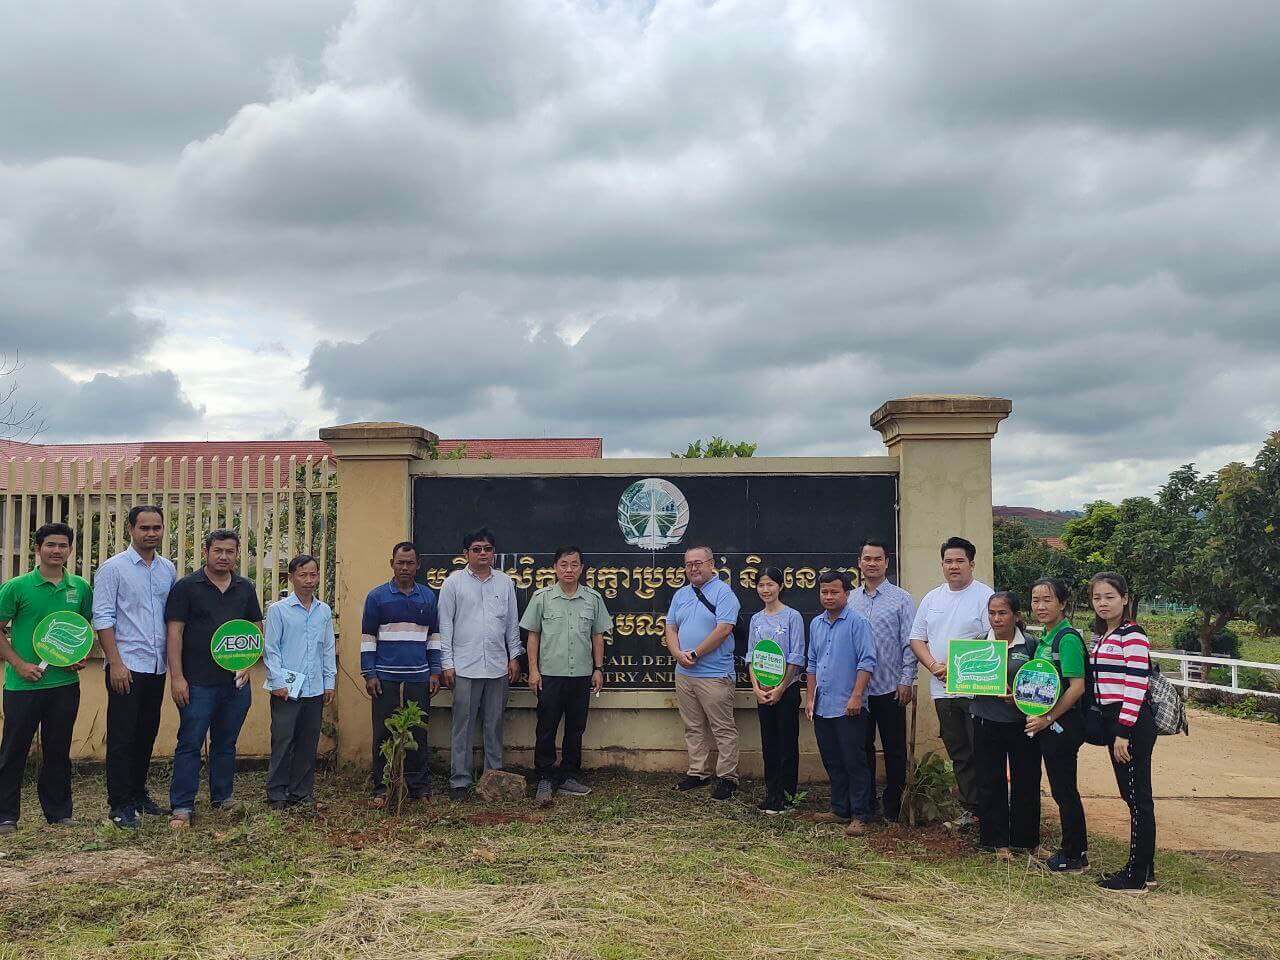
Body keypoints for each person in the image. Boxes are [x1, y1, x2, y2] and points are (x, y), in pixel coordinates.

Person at [165, 529, 263, 828]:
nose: (223, 556)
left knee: (226, 743)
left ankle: (223, 797)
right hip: (196, 682)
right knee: (190, 742)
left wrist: (248, 663)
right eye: (218, 550)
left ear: (237, 555)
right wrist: (177, 677)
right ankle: (182, 805)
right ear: (206, 552)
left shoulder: (245, 588)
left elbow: (255, 629)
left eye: (229, 551)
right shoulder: (186, 587)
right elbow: (174, 633)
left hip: (235, 683)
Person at [0, 523, 92, 834]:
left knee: (58, 751)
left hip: (64, 686)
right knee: (13, 751)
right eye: (50, 545)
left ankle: (59, 813)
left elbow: (82, 630)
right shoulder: (17, 587)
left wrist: (76, 657)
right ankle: (5, 816)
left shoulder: (80, 588)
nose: (56, 550)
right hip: (23, 685)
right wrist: (18, 664)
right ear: (38, 549)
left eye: (63, 545)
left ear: (70, 550)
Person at [91, 504, 177, 829]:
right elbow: (103, 617)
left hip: (156, 666)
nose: (151, 533)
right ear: (130, 529)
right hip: (125, 666)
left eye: (156, 527)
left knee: (146, 733)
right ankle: (120, 804)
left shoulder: (167, 569)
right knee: (123, 736)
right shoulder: (113, 568)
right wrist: (115, 663)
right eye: (144, 528)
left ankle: (139, 795)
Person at [908, 536, 993, 831]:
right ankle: (971, 810)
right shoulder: (932, 598)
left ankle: (992, 810)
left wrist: (959, 669)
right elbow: (916, 638)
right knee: (959, 751)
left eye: (959, 561)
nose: (953, 566)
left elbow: (992, 641)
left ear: (971, 563)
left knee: (982, 750)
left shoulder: (985, 597)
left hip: (976, 691)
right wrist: (933, 666)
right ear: (942, 564)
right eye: (948, 561)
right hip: (942, 690)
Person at [522, 546, 612, 806]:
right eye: (564, 564)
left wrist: (598, 669)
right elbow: (533, 636)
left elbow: (597, 636)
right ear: (555, 567)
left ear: (581, 568)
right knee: (546, 728)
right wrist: (533, 670)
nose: (569, 569)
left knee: (575, 728)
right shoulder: (542, 598)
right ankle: (545, 776)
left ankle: (569, 775)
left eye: (574, 564)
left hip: (581, 675)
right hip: (550, 675)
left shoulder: (592, 599)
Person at [439, 528, 522, 801]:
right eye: (477, 549)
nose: (482, 553)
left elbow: (511, 623)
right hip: (464, 667)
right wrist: (447, 663)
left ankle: (492, 778)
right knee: (462, 726)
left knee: (494, 724)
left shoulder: (505, 582)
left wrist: (514, 656)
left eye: (487, 549)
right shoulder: (453, 583)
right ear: (466, 554)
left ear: (493, 552)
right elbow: (445, 626)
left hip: (498, 666)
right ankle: (460, 782)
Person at [1088, 571, 1158, 893]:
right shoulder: (1103, 635)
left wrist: (1123, 731)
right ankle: (1145, 869)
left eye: (1110, 597)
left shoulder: (1132, 634)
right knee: (1131, 795)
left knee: (1138, 797)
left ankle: (1136, 876)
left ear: (1125, 599)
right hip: (1114, 719)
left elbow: (1136, 684)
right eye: (1097, 598)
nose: (1103, 603)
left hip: (1130, 721)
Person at [361, 542, 441, 805]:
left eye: (410, 563)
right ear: (391, 564)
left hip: (419, 677)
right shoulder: (377, 597)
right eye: (400, 562)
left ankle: (419, 788)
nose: (405, 567)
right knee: (384, 734)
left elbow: (434, 638)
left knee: (418, 733)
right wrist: (369, 673)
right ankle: (382, 788)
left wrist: (435, 671)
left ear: (418, 565)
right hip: (385, 678)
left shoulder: (428, 597)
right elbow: (368, 638)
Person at [665, 545, 742, 800]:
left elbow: (724, 630)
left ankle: (728, 777)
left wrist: (696, 653)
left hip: (714, 674)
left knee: (723, 728)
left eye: (698, 563)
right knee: (693, 726)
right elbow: (670, 627)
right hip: (684, 673)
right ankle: (698, 772)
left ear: (711, 564)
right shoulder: (680, 594)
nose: (693, 568)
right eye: (688, 564)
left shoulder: (724, 593)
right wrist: (677, 653)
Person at [805, 571, 878, 835]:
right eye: (824, 592)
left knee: (854, 761)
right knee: (832, 760)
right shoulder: (816, 624)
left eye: (834, 592)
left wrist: (856, 696)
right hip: (823, 706)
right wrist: (810, 698)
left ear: (846, 594)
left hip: (849, 706)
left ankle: (860, 814)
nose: (829, 596)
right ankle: (839, 809)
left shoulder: (859, 623)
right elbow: (812, 663)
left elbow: (867, 661)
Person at [848, 540, 916, 823]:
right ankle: (866, 804)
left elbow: (909, 643)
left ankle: (893, 806)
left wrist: (907, 679)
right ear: (859, 562)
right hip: (858, 691)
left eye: (878, 559)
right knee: (861, 748)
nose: (872, 563)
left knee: (894, 749)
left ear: (887, 563)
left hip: (890, 687)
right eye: (867, 558)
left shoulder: (902, 599)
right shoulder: (850, 599)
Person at [970, 591, 1041, 861]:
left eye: (1002, 613)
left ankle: (1026, 841)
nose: (996, 619)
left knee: (1027, 781)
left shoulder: (1031, 646)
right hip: (986, 721)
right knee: (990, 781)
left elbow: (1041, 684)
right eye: (992, 613)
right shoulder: (977, 645)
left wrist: (1019, 698)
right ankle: (996, 842)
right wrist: (953, 674)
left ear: (1016, 616)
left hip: (1022, 724)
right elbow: (967, 679)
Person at [264, 555, 336, 812]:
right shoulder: (278, 610)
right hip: (286, 689)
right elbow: (271, 650)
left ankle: (301, 792)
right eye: (303, 575)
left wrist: (329, 682)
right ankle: (276, 792)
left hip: (314, 688)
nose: (309, 580)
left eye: (313, 575)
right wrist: (277, 681)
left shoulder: (323, 611)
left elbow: (327, 648)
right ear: (292, 577)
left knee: (308, 741)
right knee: (283, 740)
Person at [1029, 577, 1089, 874]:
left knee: (1065, 790)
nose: (1040, 606)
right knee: (1060, 788)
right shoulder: (1046, 636)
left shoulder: (1066, 639)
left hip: (1061, 725)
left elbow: (1077, 687)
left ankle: (1074, 855)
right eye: (1035, 600)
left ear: (1063, 604)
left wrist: (1048, 718)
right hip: (1048, 723)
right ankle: (1072, 850)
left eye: (1047, 600)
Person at [745, 566, 806, 814]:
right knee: (769, 744)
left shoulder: (793, 616)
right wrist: (756, 688)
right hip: (763, 690)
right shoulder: (756, 619)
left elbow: (796, 656)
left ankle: (787, 797)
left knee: (787, 744)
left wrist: (781, 688)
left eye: (770, 584)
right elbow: (751, 656)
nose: (765, 589)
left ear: (780, 586)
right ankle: (771, 794)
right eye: (761, 585)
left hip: (786, 690)